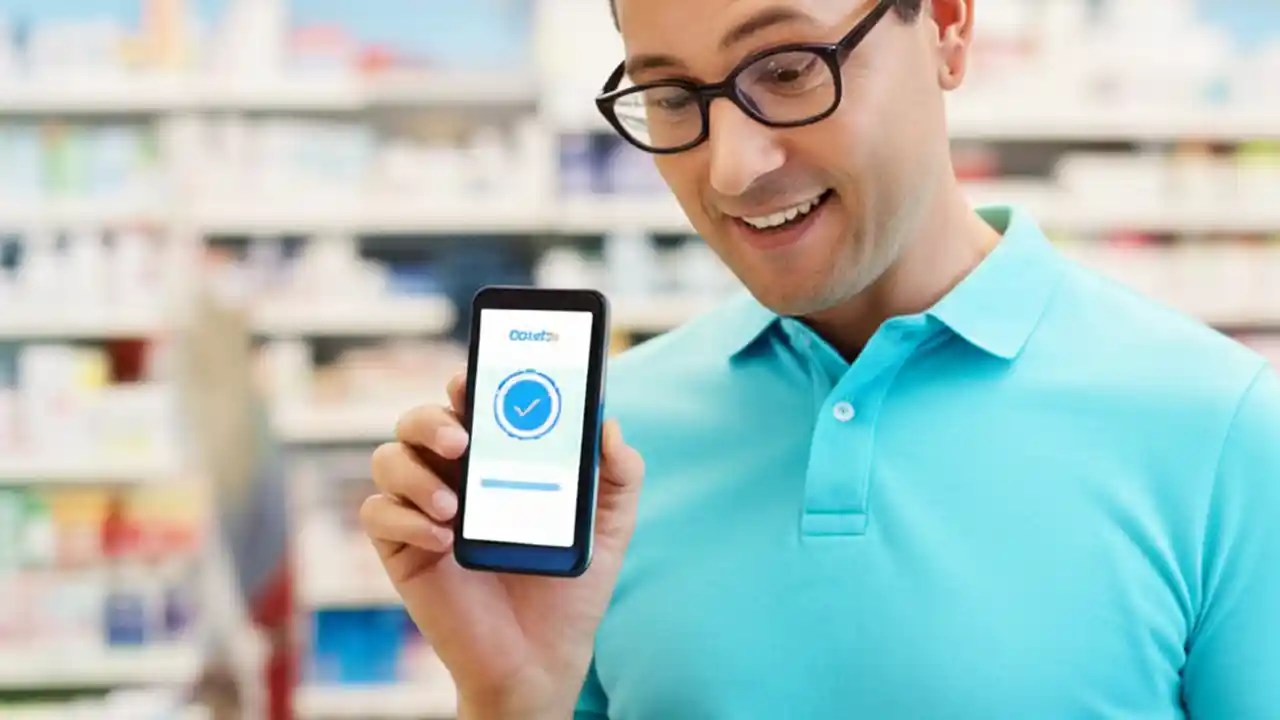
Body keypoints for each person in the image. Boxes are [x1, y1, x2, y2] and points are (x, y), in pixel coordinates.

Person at [360, 0, 1280, 717]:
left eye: (790, 69)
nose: (730, 168)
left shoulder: (1222, 429)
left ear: (948, 29)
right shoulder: (605, 454)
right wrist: (512, 701)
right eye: (676, 98)